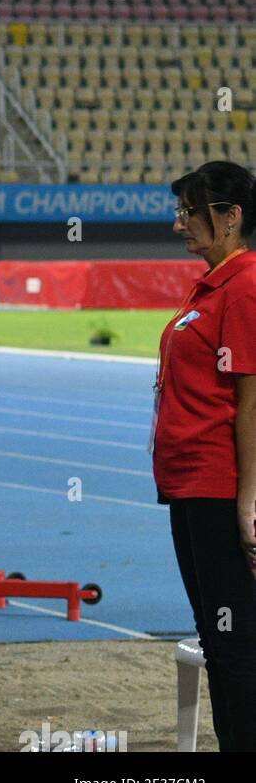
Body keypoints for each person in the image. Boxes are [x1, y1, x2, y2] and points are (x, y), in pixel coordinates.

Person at [154, 161, 256, 752]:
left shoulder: (244, 286)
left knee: (233, 639)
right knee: (217, 638)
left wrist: (248, 499)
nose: (179, 224)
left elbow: (251, 399)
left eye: (190, 212)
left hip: (219, 488)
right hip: (190, 486)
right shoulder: (212, 282)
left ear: (230, 216)